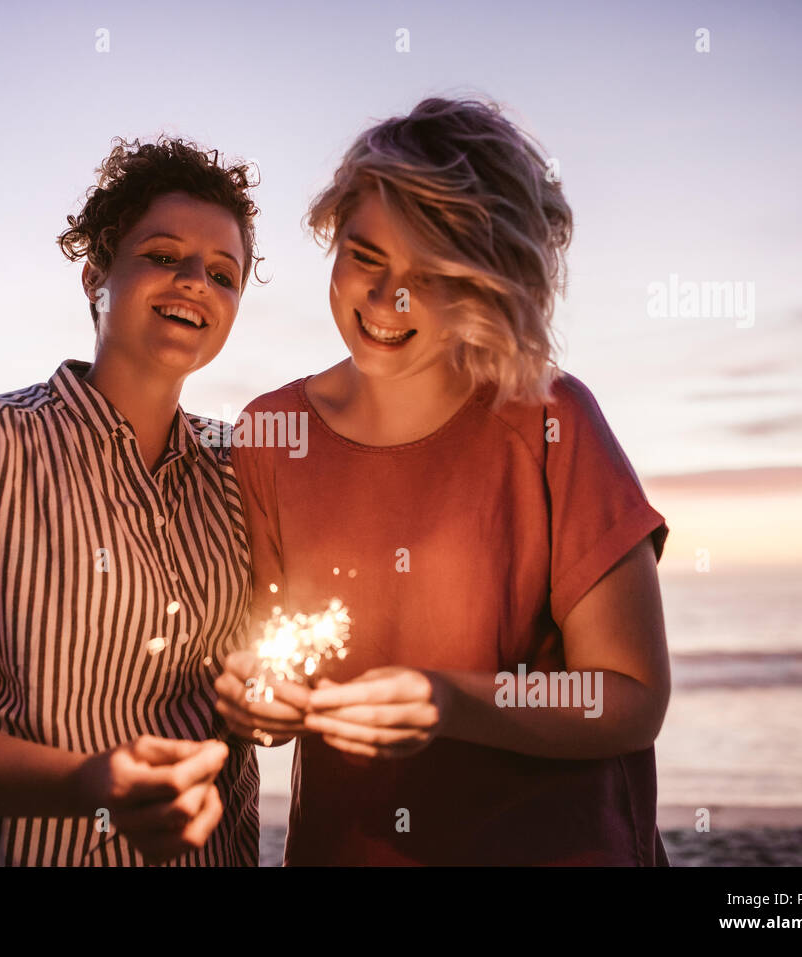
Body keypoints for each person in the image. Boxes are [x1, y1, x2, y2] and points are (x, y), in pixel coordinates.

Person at [215, 96, 672, 865]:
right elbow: (271, 661)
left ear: (487, 282)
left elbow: (629, 695)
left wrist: (453, 702)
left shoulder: (551, 419)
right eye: (366, 256)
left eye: (431, 275)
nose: (387, 300)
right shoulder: (269, 433)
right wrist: (257, 703)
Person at [0, 135, 264, 865]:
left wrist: (269, 700)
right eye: (161, 254)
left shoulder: (244, 469)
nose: (194, 282)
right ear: (95, 277)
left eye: (223, 273)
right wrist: (89, 781)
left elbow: (271, 676)